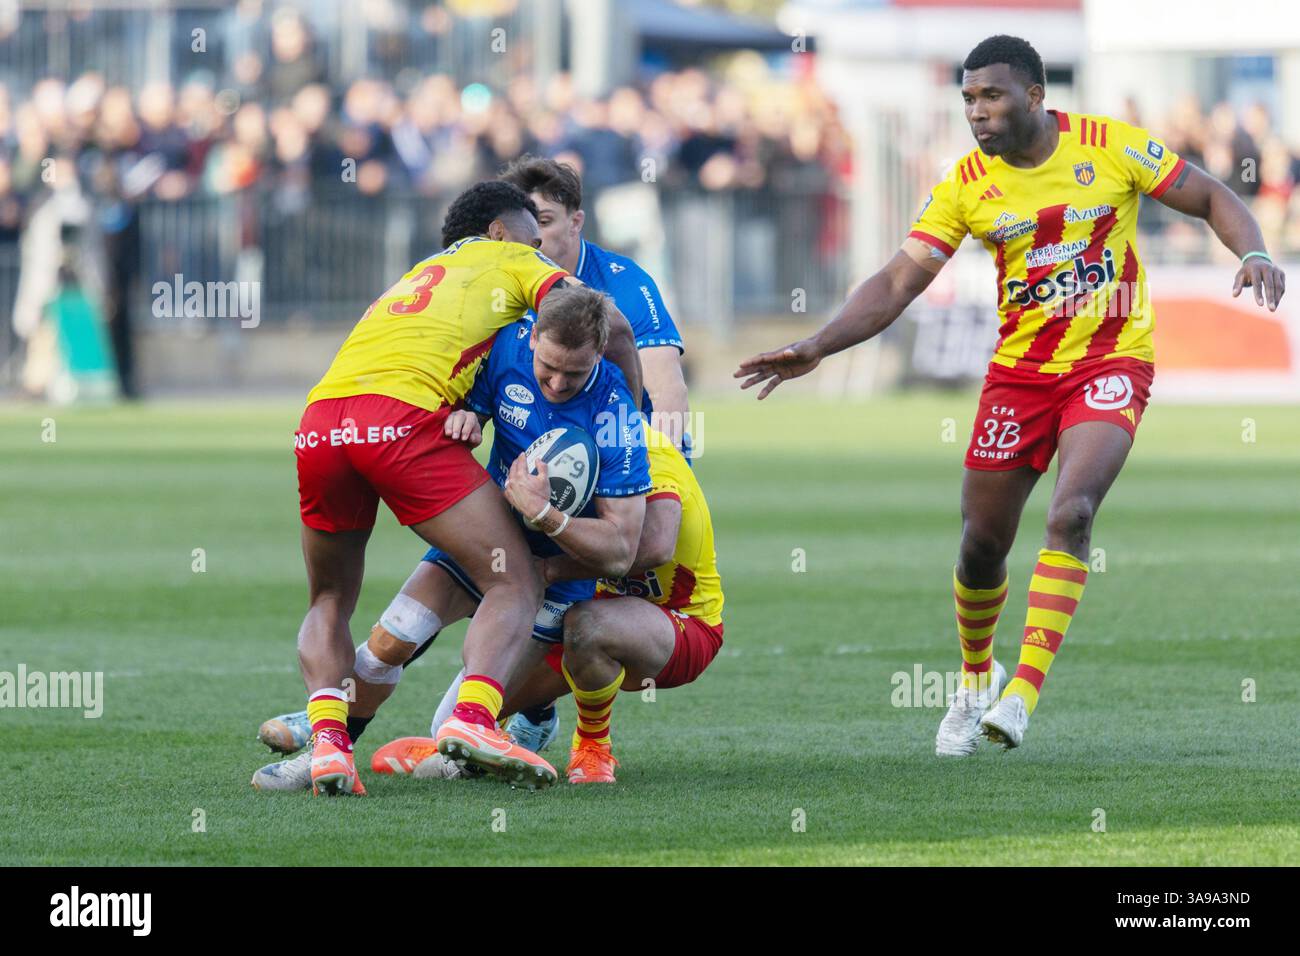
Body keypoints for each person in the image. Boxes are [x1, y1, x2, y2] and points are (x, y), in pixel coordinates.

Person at [735, 35, 1286, 755]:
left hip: (1110, 362)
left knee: (1073, 511)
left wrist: (1252, 251)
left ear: (1033, 96)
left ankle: (1022, 693)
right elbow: (901, 280)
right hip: (1018, 377)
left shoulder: (1108, 146)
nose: (977, 112)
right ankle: (974, 682)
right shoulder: (966, 181)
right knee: (980, 546)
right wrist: (819, 343)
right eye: (968, 99)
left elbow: (1210, 194)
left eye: (991, 96)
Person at [292, 180, 641, 795]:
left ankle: (327, 745)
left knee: (329, 601)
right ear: (502, 233)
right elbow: (605, 322)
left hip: (320, 420)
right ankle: (476, 718)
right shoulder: (512, 258)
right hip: (397, 419)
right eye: (536, 240)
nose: (545, 253)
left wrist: (475, 412)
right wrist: (635, 412)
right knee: (514, 576)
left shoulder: (420, 272)